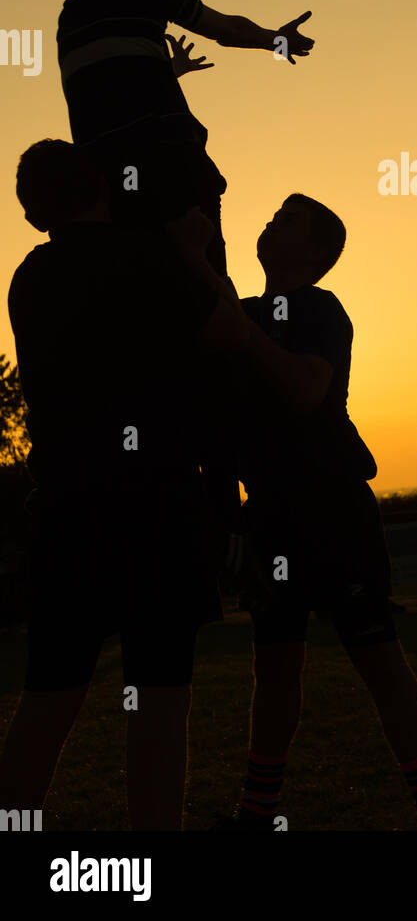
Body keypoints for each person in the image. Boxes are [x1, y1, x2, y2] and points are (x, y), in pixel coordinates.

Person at [0, 140, 249, 830]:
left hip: (68, 509)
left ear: (30, 212)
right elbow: (229, 331)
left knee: (48, 697)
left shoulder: (30, 276)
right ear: (106, 185)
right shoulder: (150, 258)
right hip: (157, 505)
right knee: (160, 701)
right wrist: (195, 251)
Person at [223, 194, 417, 831]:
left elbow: (305, 389)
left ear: (318, 253)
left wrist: (245, 339)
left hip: (332, 507)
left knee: (378, 657)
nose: (270, 221)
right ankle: (257, 813)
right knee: (272, 666)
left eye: (288, 219)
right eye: (272, 213)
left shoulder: (320, 309)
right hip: (270, 514)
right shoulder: (237, 314)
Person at [32, 0, 315, 273]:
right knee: (207, 283)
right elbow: (227, 31)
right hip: (171, 166)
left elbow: (113, 91)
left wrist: (166, 72)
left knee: (154, 298)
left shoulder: (69, 22)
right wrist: (275, 39)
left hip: (105, 187)